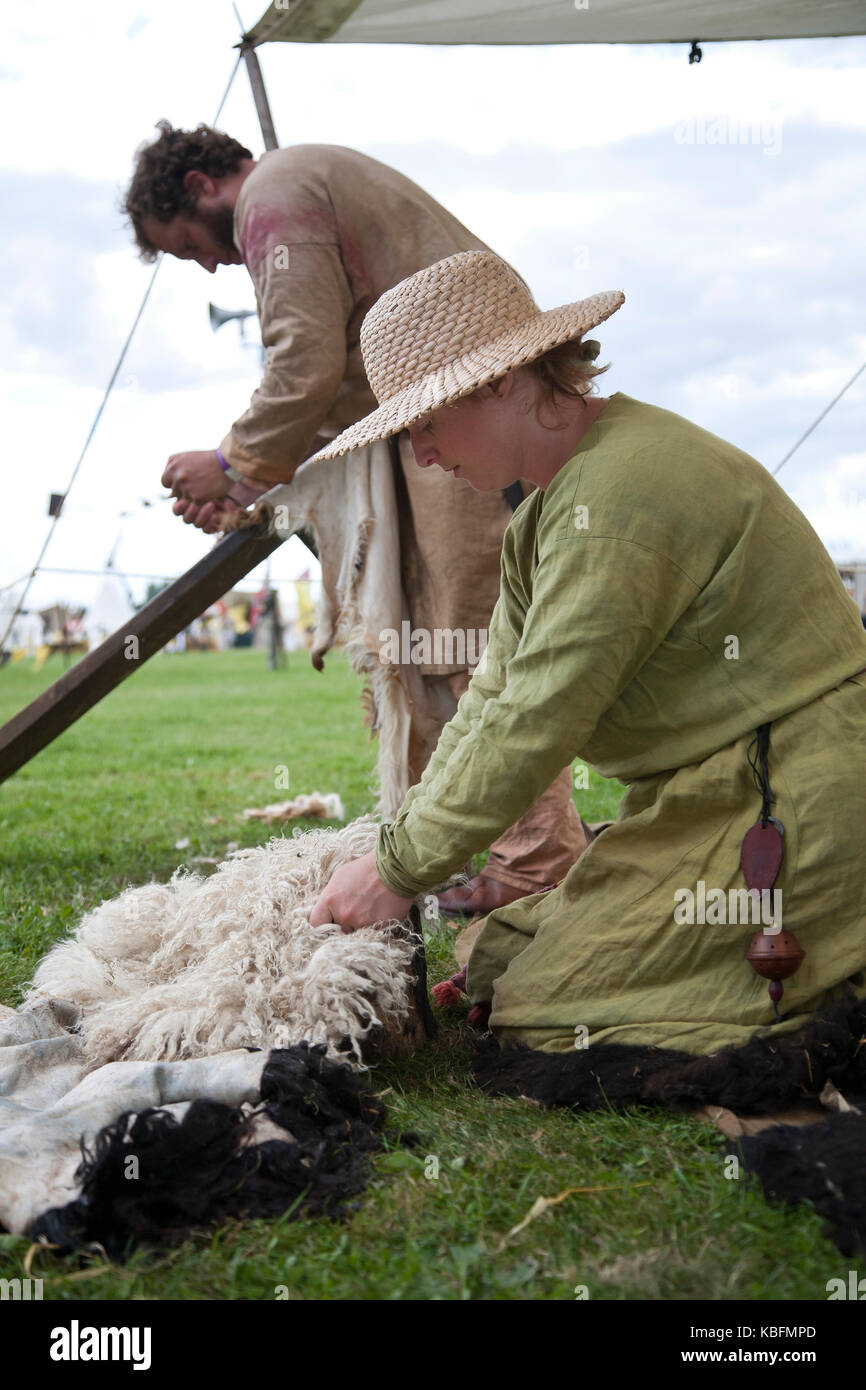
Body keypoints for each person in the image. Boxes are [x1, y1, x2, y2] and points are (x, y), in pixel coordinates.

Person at [309, 249, 866, 1057]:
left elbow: (538, 717)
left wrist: (399, 871)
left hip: (799, 797)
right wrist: (401, 852)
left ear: (501, 382)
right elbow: (493, 701)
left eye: (425, 422)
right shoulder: (550, 509)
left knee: (544, 1006)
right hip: (711, 795)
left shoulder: (612, 500)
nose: (421, 454)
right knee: (502, 959)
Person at [122, 125, 590, 911]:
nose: (210, 264)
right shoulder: (303, 181)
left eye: (190, 246)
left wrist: (232, 464)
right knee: (445, 646)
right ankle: (502, 862)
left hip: (470, 413)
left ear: (202, 185)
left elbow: (304, 362)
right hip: (459, 411)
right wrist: (245, 482)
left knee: (472, 649)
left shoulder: (271, 198)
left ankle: (534, 872)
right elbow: (338, 366)